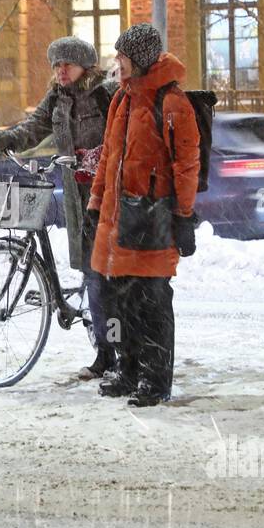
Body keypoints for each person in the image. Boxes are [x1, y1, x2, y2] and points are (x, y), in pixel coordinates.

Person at [0, 37, 115, 379]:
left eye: (67, 64)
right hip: (77, 199)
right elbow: (33, 128)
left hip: (107, 195)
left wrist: (99, 156)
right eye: (55, 64)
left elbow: (123, 135)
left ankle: (111, 353)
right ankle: (106, 344)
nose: (60, 70)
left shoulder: (105, 94)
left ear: (85, 66)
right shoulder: (57, 98)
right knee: (92, 273)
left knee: (103, 278)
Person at [87, 24, 200, 407]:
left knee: (152, 302)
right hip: (119, 219)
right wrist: (95, 203)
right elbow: (108, 157)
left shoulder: (171, 103)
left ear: (139, 60)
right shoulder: (122, 100)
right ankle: (128, 369)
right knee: (121, 302)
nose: (117, 63)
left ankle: (155, 379)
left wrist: (184, 218)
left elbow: (186, 165)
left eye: (122, 57)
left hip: (153, 218)